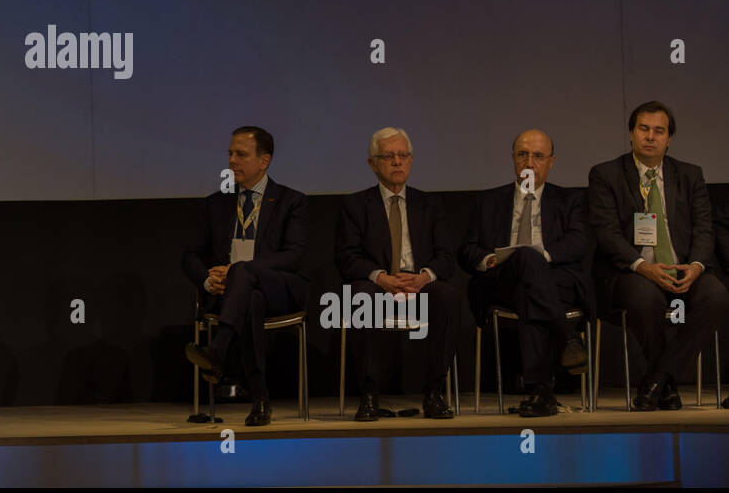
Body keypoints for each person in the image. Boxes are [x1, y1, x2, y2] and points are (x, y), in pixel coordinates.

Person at [588, 101, 729, 410]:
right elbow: (606, 232)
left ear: (669, 139)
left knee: (716, 296)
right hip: (631, 271)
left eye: (658, 131)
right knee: (645, 297)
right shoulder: (606, 174)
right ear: (631, 134)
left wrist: (695, 265)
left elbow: (705, 227)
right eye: (643, 129)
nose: (650, 137)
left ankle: (658, 380)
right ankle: (665, 384)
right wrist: (643, 267)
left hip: (683, 267)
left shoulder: (690, 175)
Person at [458, 129, 590, 417]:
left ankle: (539, 390)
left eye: (538, 156)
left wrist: (538, 256)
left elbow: (578, 243)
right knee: (526, 272)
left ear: (551, 161)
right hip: (500, 281)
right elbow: (466, 251)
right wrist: (490, 258)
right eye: (522, 154)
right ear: (513, 159)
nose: (529, 162)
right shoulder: (488, 201)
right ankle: (567, 335)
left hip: (553, 281)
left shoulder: (570, 200)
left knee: (529, 289)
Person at [183, 127, 309, 426]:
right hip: (232, 296)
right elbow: (190, 255)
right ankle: (260, 399)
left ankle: (218, 350)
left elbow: (293, 256)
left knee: (243, 271)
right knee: (250, 299)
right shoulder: (216, 203)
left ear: (264, 161)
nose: (232, 161)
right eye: (230, 154)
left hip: (279, 291)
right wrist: (207, 280)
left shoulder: (292, 201)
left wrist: (241, 270)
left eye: (241, 154)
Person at [335, 127, 460, 420]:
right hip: (379, 284)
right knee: (360, 296)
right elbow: (346, 258)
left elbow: (445, 257)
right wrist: (381, 277)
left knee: (449, 296)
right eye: (388, 156)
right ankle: (368, 395)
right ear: (372, 163)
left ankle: (434, 393)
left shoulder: (430, 204)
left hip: (419, 284)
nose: (397, 162)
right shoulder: (354, 205)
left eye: (403, 156)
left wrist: (424, 276)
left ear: (411, 160)